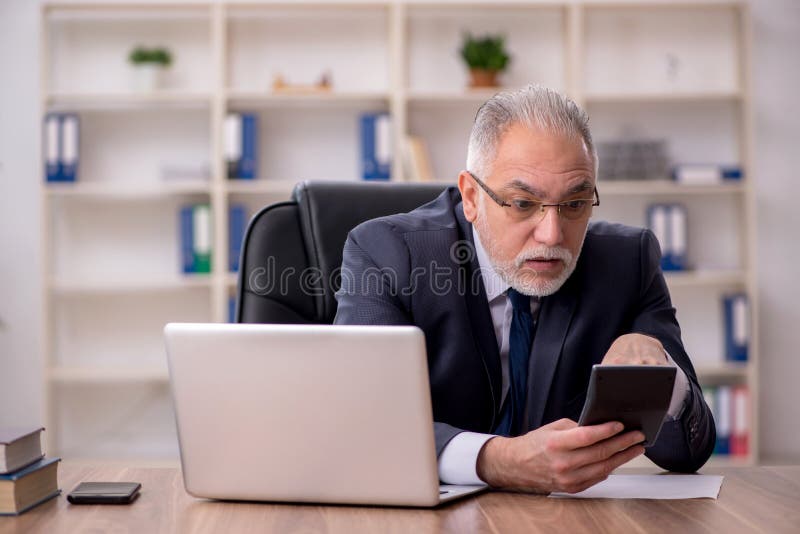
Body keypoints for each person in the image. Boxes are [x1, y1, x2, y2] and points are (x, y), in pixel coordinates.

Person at [334, 84, 715, 494]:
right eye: (522, 203)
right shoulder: (386, 253)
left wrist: (661, 374)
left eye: (574, 204)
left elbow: (689, 452)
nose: (552, 235)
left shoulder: (628, 261)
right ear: (471, 196)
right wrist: (495, 460)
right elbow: (363, 423)